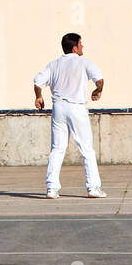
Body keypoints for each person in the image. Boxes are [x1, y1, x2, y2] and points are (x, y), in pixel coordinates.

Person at [34, 33, 106, 199]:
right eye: (81, 44)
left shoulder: (53, 65)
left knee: (57, 149)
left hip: (58, 107)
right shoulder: (84, 62)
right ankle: (93, 187)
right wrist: (98, 90)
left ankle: (52, 188)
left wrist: (39, 97)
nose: (82, 47)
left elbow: (38, 83)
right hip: (76, 107)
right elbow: (100, 80)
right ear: (74, 47)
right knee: (86, 148)